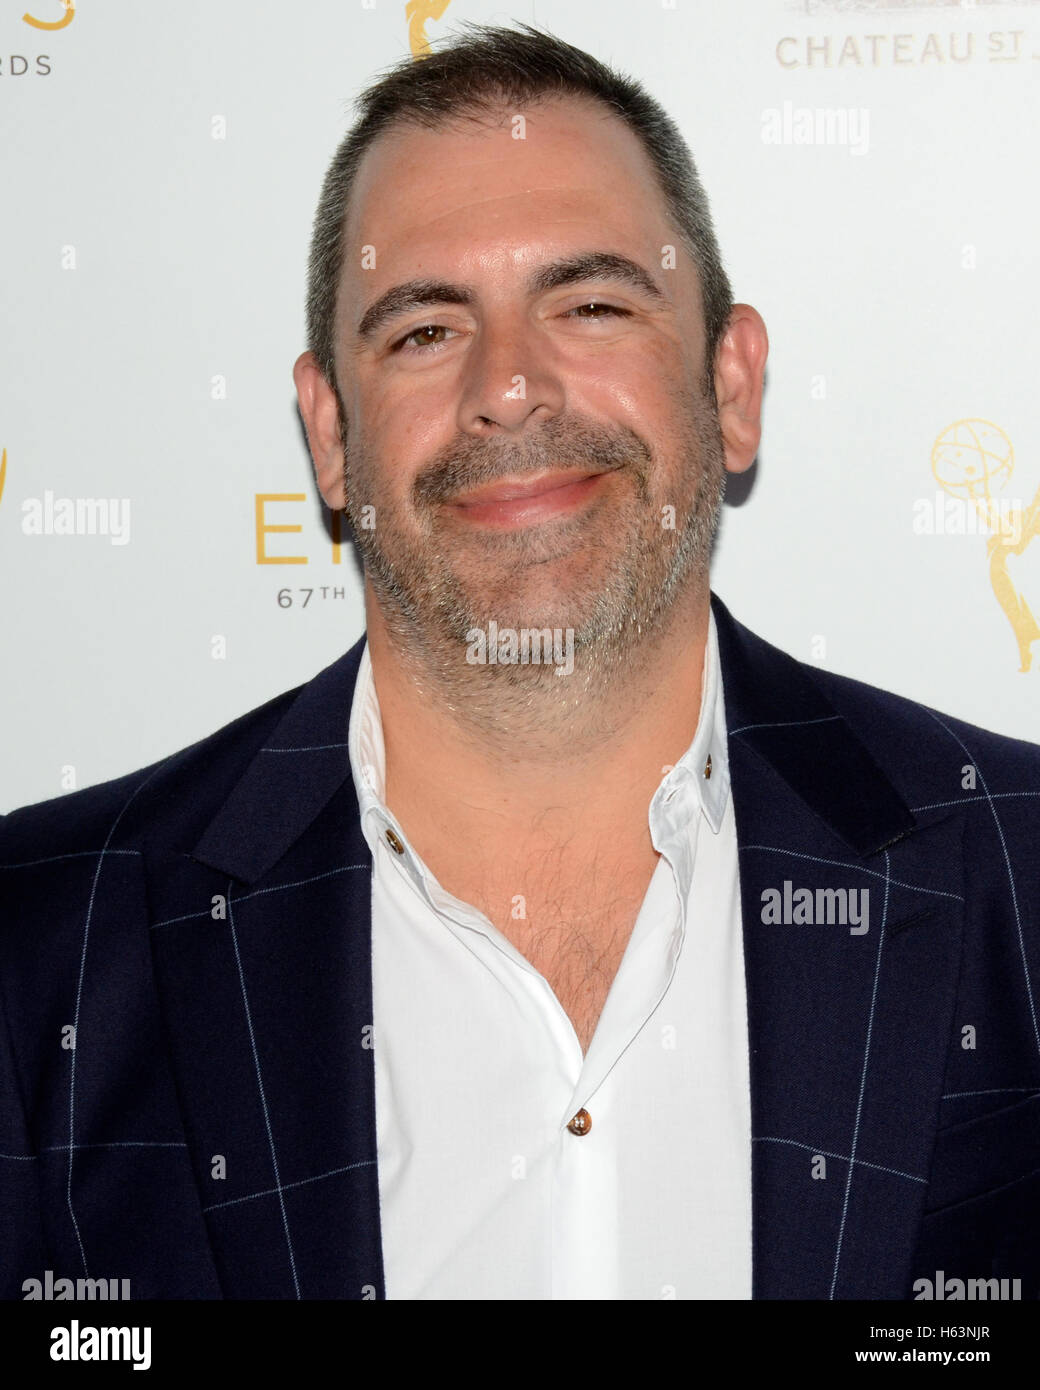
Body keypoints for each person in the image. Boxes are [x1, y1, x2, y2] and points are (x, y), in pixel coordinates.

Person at [2, 22, 1039, 1303]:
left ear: (730, 382)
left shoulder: (1017, 869)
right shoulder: (40, 949)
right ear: (329, 434)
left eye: (590, 303)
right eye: (425, 331)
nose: (509, 387)